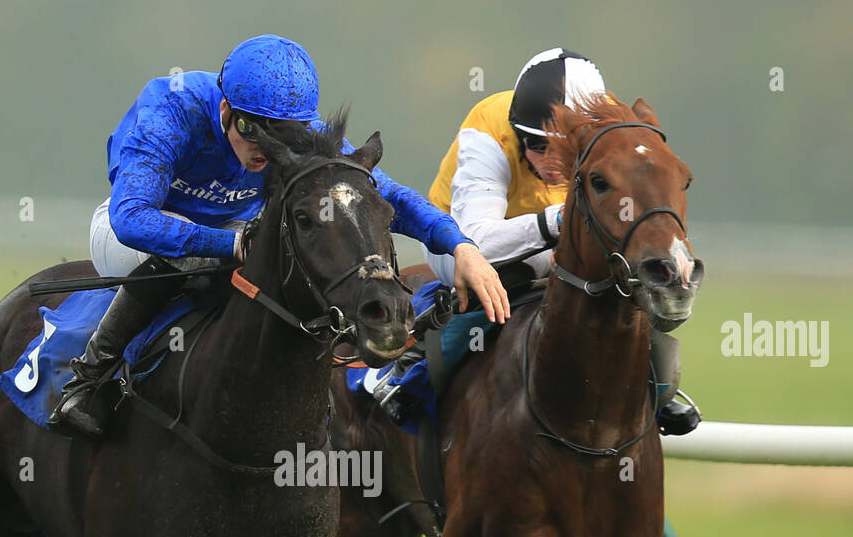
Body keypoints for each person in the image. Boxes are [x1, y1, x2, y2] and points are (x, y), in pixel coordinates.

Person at [48, 34, 508, 438]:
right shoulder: (171, 109)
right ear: (225, 109)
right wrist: (227, 245)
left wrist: (459, 245)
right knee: (197, 259)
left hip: (233, 234)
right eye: (250, 129)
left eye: (280, 133)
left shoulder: (298, 134)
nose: (262, 146)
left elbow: (384, 195)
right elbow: (132, 218)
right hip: (130, 235)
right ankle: (86, 381)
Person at [424, 47, 699, 435]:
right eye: (537, 146)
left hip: (560, 235)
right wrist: (560, 221)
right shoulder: (488, 128)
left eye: (562, 151)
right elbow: (478, 243)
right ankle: (410, 373)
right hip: (459, 243)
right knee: (511, 277)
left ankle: (649, 392)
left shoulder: (612, 124)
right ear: (517, 132)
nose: (550, 164)